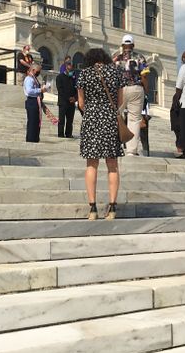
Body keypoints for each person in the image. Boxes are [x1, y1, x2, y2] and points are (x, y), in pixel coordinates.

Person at [77, 48, 125, 220]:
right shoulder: (116, 72)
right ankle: (112, 207)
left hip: (91, 119)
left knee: (91, 164)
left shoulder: (84, 74)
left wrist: (92, 110)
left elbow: (81, 103)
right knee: (112, 164)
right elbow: (120, 101)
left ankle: (92, 208)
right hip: (110, 119)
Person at [113, 34, 149, 156]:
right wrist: (146, 89)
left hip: (121, 89)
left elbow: (112, 76)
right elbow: (144, 75)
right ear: (133, 45)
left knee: (115, 115)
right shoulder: (140, 57)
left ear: (122, 45)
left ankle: (113, 144)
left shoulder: (116, 58)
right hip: (136, 88)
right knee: (134, 119)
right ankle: (131, 150)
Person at [24, 63, 50, 142]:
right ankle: (31, 138)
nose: (39, 73)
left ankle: (35, 138)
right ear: (33, 70)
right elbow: (29, 91)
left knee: (36, 121)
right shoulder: (29, 79)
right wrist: (40, 90)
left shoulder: (34, 79)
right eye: (38, 71)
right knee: (32, 120)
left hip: (37, 101)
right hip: (32, 101)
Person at [56, 58, 77, 138]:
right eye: (70, 67)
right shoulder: (60, 77)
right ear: (66, 67)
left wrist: (75, 98)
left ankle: (69, 134)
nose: (71, 69)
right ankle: (60, 134)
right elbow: (60, 90)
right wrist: (68, 98)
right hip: (63, 102)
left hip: (72, 102)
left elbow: (76, 89)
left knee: (70, 120)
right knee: (61, 119)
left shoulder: (73, 78)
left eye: (72, 68)